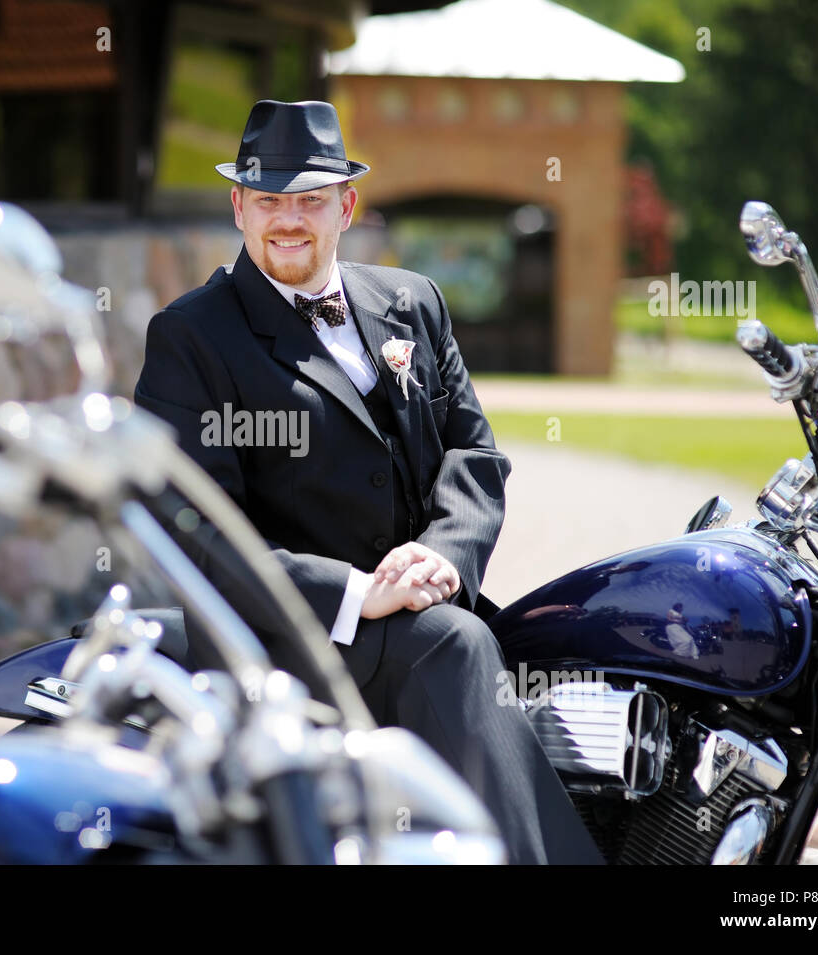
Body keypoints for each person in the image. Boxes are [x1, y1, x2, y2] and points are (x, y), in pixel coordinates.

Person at [134, 99, 601, 863]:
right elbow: (194, 533)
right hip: (286, 641)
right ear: (239, 208)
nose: (290, 220)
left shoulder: (413, 302)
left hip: (424, 605)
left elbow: (472, 456)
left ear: (346, 206)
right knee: (454, 645)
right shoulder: (190, 337)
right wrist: (356, 594)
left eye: (310, 199)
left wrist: (446, 553)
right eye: (270, 200)